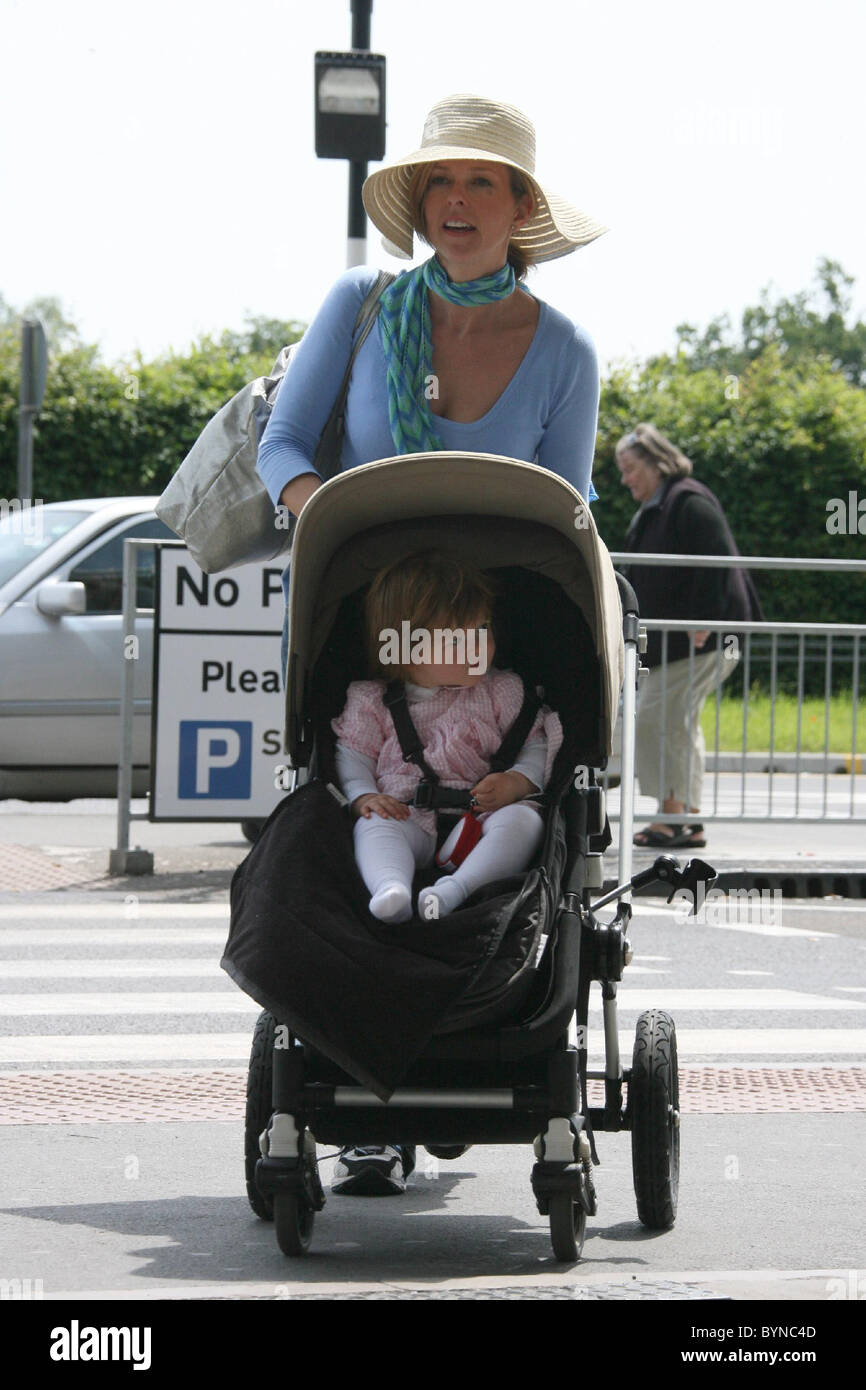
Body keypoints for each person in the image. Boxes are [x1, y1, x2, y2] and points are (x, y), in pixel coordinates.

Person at [257, 92, 606, 1195]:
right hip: (371, 622)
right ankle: (351, 1050)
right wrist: (335, 529)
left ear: (519, 206)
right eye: (440, 181)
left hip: (492, 639)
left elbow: (566, 519)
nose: (457, 200)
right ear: (420, 202)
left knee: (509, 813)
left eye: (481, 181)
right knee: (352, 816)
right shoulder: (361, 306)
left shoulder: (564, 351)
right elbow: (282, 448)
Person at [332, 551, 561, 925]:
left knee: (525, 822)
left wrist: (517, 781)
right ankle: (391, 888)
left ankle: (455, 890)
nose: (477, 648)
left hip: (484, 816)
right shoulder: (373, 701)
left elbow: (535, 743)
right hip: (406, 812)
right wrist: (364, 796)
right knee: (374, 825)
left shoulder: (501, 691)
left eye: (482, 629)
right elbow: (354, 755)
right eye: (456, 640)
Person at [616, 423, 762, 849]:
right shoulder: (664, 505)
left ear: (655, 463)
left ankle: (673, 816)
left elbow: (715, 558)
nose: (625, 479)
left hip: (698, 639)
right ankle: (685, 817)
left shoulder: (687, 501)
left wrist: (704, 620)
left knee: (660, 719)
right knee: (675, 720)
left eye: (629, 468)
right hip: (683, 640)